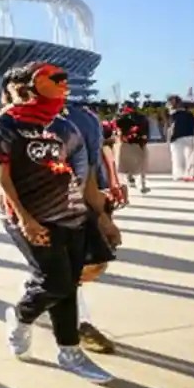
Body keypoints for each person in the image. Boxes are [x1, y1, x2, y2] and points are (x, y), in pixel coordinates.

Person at [0, 62, 117, 383]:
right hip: (30, 218)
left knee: (67, 285)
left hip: (71, 216)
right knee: (55, 283)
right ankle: (20, 316)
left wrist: (101, 218)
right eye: (16, 91)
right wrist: (25, 218)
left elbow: (82, 176)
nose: (24, 97)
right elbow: (1, 175)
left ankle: (69, 352)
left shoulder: (64, 128)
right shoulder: (3, 126)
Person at [61, 100, 121, 354]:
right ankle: (78, 323)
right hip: (60, 207)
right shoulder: (9, 124)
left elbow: (90, 169)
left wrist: (102, 212)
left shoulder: (80, 119)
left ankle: (34, 302)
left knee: (76, 267)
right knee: (68, 269)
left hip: (73, 203)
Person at [113, 101, 151, 194]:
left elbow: (116, 127)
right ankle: (141, 184)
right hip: (137, 143)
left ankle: (134, 181)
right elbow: (146, 131)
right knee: (140, 166)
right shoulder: (141, 117)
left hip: (128, 144)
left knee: (129, 165)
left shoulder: (122, 117)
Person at [167, 95, 194, 181]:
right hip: (184, 136)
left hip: (180, 137)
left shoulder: (172, 115)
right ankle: (188, 173)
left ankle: (182, 174)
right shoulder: (187, 114)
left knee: (180, 157)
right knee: (187, 156)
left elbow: (168, 127)